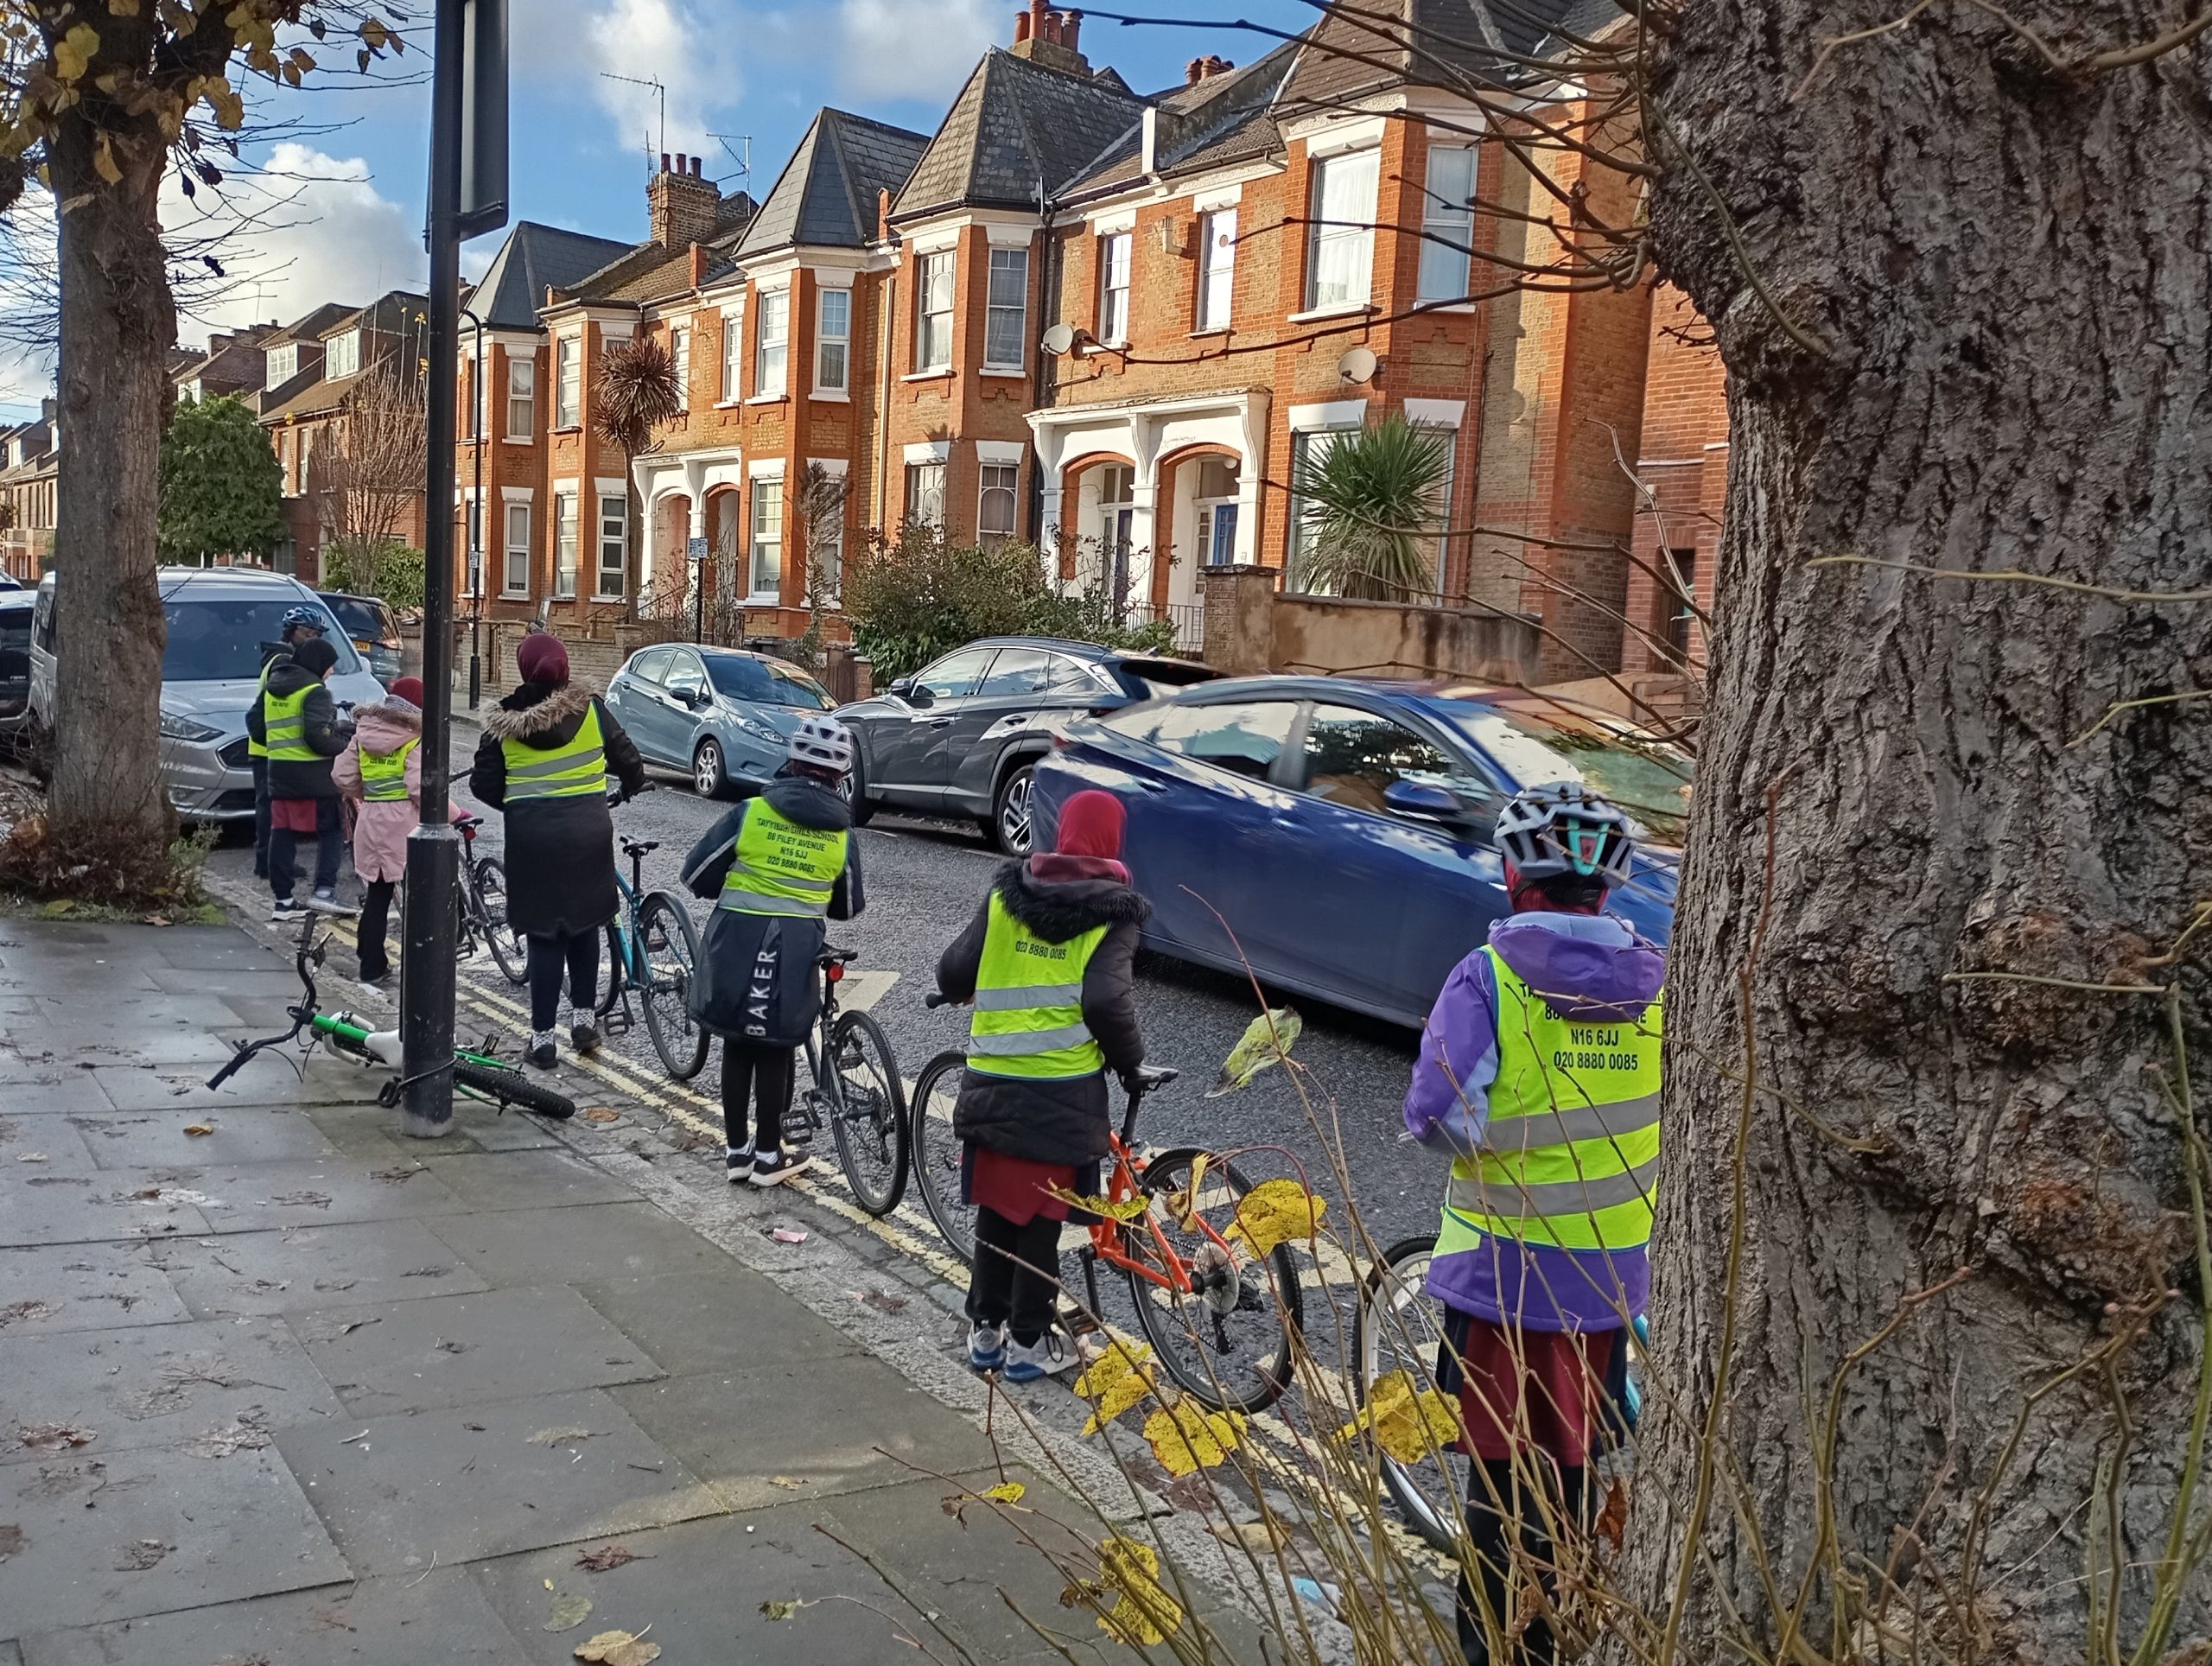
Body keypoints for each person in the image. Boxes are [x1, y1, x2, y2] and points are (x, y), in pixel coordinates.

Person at [1402, 780, 1663, 1666]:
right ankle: (1558, 1635)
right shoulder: (1658, 983)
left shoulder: (1491, 977)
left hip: (1507, 1282)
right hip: (1613, 1281)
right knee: (1576, 1469)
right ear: (1607, 886)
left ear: (1514, 874)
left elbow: (1438, 1114)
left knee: (1502, 1486)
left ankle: (1496, 1649)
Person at [933, 788, 1147, 1383]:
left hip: (992, 1081)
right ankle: (1029, 1342)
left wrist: (965, 991)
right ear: (1111, 842)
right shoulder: (1114, 913)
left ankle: (985, 1333)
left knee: (999, 1212)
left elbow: (954, 972)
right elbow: (1106, 998)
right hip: (1059, 1090)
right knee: (1041, 1221)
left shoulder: (1008, 893)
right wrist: (1130, 1064)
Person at [680, 715, 864, 1188]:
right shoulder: (843, 838)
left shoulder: (751, 813)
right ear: (841, 777)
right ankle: (768, 1156)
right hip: (794, 952)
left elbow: (696, 874)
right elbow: (847, 907)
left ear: (792, 763)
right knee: (777, 1045)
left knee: (738, 1043)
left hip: (736, 942)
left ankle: (738, 1154)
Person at [469, 633, 645, 1070]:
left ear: (526, 669)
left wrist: (523, 803)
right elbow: (630, 763)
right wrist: (627, 785)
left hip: (534, 842)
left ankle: (543, 1040)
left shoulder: (503, 725)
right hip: (589, 836)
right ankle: (584, 1022)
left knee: (545, 936)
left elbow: (483, 785)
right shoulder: (592, 711)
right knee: (586, 927)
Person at [333, 674, 435, 995]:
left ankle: (371, 964)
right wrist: (452, 814)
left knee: (378, 895)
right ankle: (423, 967)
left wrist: (368, 794)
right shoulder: (415, 736)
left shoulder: (364, 733)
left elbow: (342, 775)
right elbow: (421, 788)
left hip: (371, 817)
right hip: (406, 822)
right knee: (422, 897)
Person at [247, 635, 354, 920]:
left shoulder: (273, 687)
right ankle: (323, 892)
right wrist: (345, 747)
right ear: (318, 664)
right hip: (314, 778)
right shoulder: (315, 691)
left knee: (282, 834)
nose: (330, 672)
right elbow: (317, 737)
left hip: (280, 773)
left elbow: (255, 727)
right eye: (329, 666)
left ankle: (283, 902)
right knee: (332, 832)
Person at [249, 605, 328, 880]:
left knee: (277, 811)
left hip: (273, 747)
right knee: (273, 812)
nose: (312, 638)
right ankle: (271, 864)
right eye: (307, 633)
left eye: (316, 634)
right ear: (291, 632)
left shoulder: (282, 658)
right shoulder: (284, 662)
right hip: (272, 749)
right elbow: (268, 710)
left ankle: (273, 863)